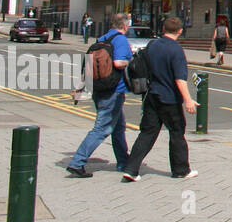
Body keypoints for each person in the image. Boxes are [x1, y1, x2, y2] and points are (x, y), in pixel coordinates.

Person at [122, 16, 198, 182]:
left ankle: (131, 169)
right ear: (180, 31)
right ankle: (181, 170)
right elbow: (180, 79)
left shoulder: (153, 45)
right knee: (177, 132)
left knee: (147, 133)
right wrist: (188, 100)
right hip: (169, 98)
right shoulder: (176, 50)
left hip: (151, 95)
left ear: (163, 29)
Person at [66, 13, 132, 178]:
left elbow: (89, 64)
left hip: (98, 87)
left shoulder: (102, 38)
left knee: (118, 127)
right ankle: (77, 162)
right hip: (114, 90)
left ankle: (124, 162)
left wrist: (82, 87)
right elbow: (118, 63)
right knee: (102, 128)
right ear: (124, 26)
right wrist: (130, 61)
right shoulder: (121, 40)